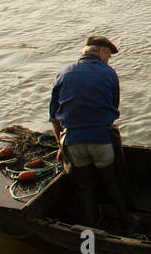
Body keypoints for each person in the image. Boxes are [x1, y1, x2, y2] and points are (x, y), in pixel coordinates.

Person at [49, 35, 138, 236]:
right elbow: (113, 107)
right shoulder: (109, 74)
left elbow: (53, 116)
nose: (108, 60)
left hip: (73, 142)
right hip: (101, 140)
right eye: (108, 56)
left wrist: (60, 146)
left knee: (84, 187)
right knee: (112, 183)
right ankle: (129, 224)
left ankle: (90, 230)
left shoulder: (62, 73)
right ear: (102, 53)